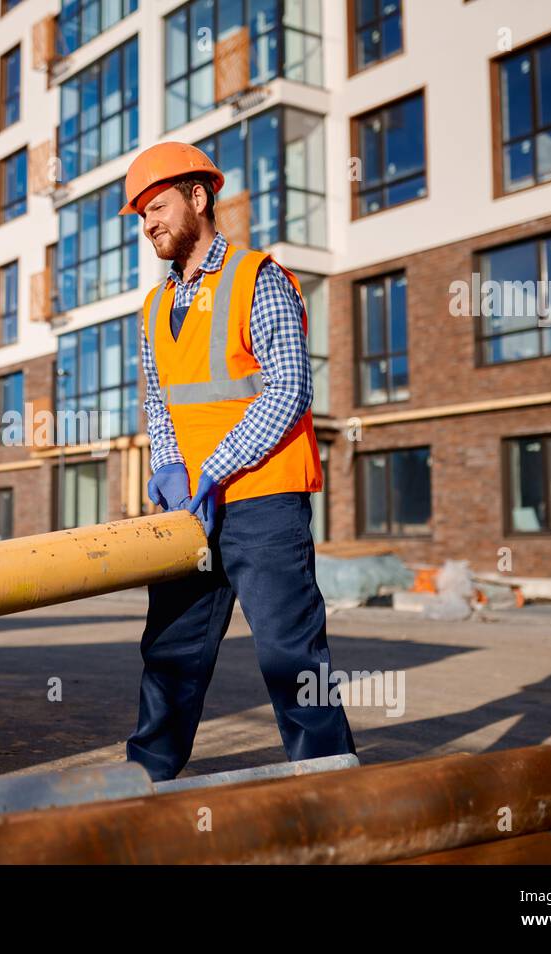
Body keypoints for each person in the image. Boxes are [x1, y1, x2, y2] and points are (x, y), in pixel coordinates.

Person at [119, 141, 357, 781]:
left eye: (158, 208)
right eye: (141, 216)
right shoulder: (153, 307)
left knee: (289, 651)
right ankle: (145, 780)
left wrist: (215, 467)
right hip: (189, 509)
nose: (149, 225)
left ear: (199, 198)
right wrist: (170, 468)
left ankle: (332, 784)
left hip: (262, 500)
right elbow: (161, 403)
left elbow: (288, 389)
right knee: (171, 650)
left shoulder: (260, 277)